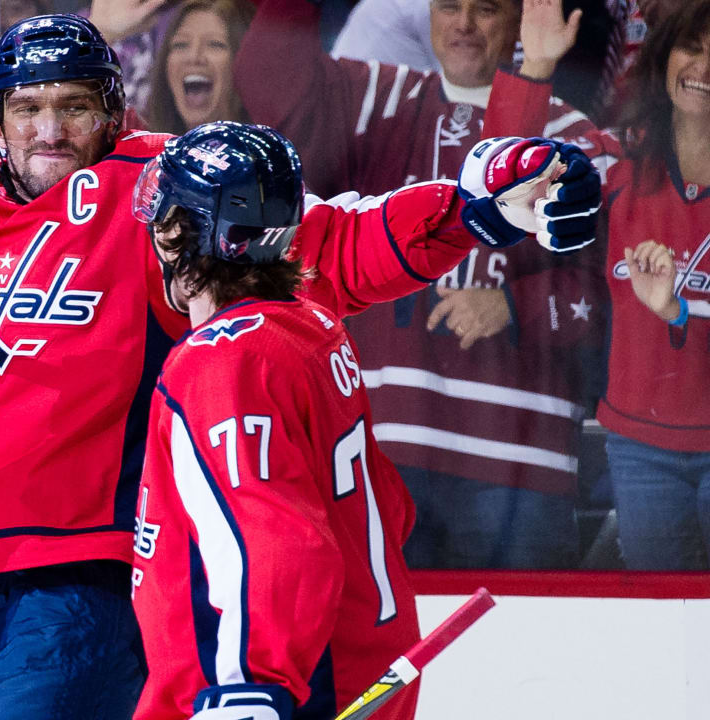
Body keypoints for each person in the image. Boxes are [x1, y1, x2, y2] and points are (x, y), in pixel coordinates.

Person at [0, 12, 600, 718]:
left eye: (76, 106)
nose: (51, 130)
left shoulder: (155, 191)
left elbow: (330, 245)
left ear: (115, 111)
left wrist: (474, 212)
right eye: (29, 108)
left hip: (78, 581)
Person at [127, 124, 599, 719]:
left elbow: (272, 544)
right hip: (355, 668)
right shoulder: (310, 326)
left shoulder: (221, 360)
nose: (156, 232)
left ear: (189, 234)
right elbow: (387, 507)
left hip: (288, 691)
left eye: (166, 216)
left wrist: (248, 688)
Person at [237, 0, 609, 569]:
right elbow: (270, 83)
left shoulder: (577, 136)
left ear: (519, 19)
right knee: (396, 652)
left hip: (516, 463)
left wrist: (515, 305)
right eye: (448, 5)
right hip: (383, 450)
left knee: (527, 654)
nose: (462, 24)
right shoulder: (377, 96)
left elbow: (614, 292)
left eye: (483, 9)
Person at [491, 0, 710, 569]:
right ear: (663, 58)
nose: (703, 69)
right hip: (642, 451)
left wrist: (678, 315)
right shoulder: (618, 165)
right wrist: (535, 66)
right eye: (692, 48)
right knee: (660, 632)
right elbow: (507, 185)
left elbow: (679, 314)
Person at [144, 0, 253, 134]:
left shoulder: (271, 152)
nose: (194, 57)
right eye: (181, 44)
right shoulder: (142, 149)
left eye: (215, 44)